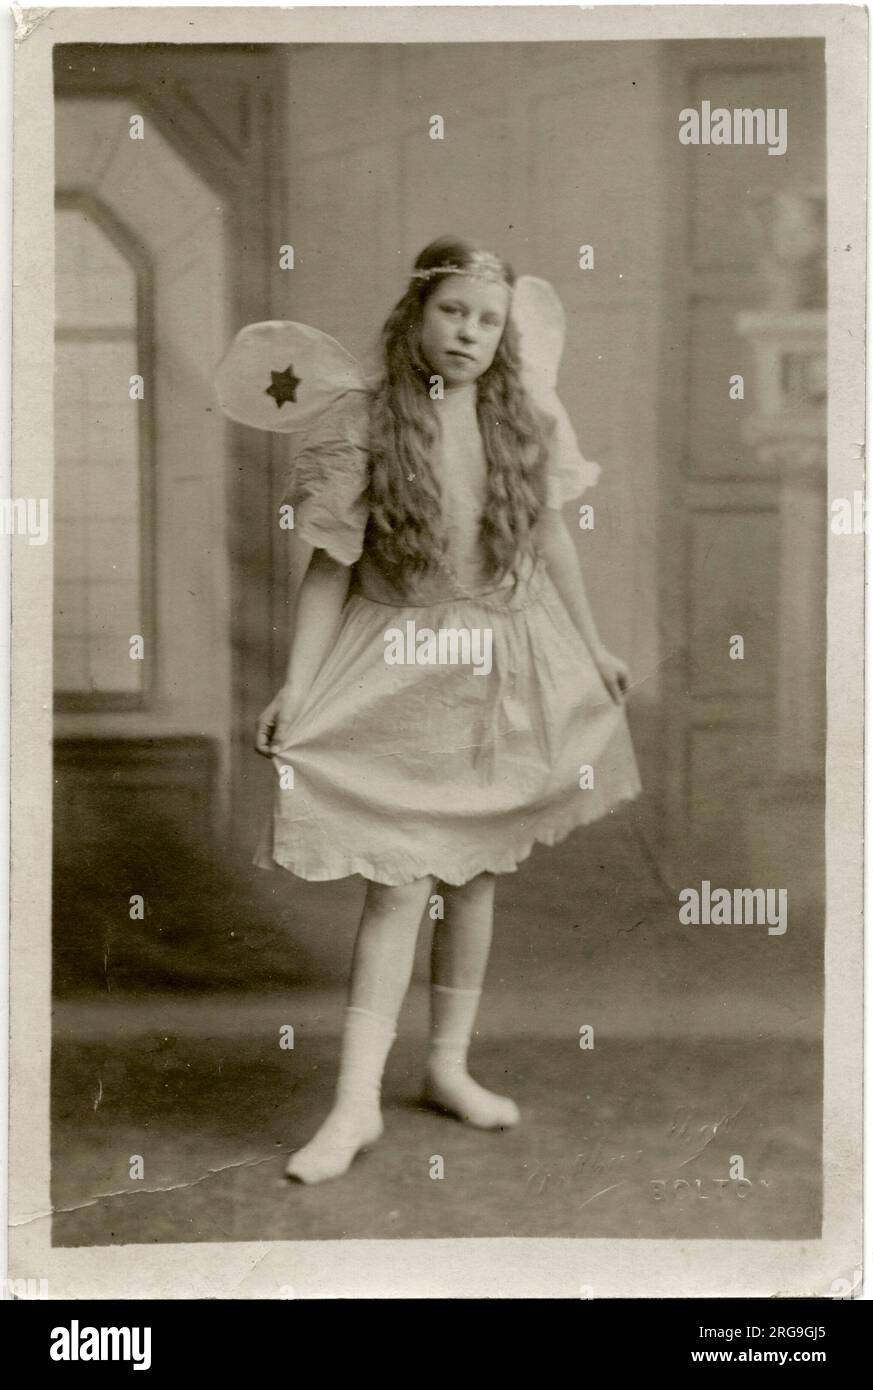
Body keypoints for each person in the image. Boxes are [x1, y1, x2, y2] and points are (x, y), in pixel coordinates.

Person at [214, 235, 642, 1184]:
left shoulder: (520, 412)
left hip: (497, 661)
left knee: (476, 873)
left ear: (505, 332)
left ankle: (448, 1065)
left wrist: (595, 642)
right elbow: (329, 567)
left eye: (488, 319)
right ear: (417, 315)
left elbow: (550, 537)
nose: (471, 333)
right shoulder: (362, 417)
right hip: (400, 663)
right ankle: (355, 1103)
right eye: (454, 311)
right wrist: (298, 682)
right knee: (401, 881)